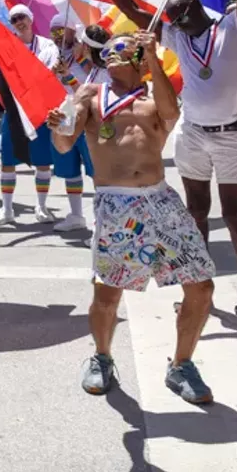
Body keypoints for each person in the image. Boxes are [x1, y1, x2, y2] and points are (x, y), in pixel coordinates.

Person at [86, 0, 237, 317]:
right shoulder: (179, 38)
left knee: (234, 215)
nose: (175, 22)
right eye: (173, 17)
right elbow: (133, 10)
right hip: (194, 134)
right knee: (196, 211)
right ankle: (200, 285)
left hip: (231, 135)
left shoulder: (233, 26)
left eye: (180, 14)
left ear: (195, 8)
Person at [48, 31, 216, 404]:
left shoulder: (153, 98)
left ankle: (181, 365)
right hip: (116, 205)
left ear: (140, 60)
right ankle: (102, 357)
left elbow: (171, 114)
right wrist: (58, 123)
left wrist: (154, 57)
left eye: (120, 48)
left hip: (161, 201)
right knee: (107, 293)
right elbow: (64, 141)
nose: (109, 54)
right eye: (106, 50)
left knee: (201, 285)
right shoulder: (90, 94)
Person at [0, 5, 59, 227]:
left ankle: (41, 207)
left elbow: (47, 72)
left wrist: (25, 78)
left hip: (39, 110)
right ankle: (7, 208)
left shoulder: (47, 45)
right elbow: (3, 74)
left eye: (22, 17)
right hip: (14, 110)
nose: (19, 22)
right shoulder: (6, 47)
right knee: (7, 161)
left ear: (30, 20)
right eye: (14, 19)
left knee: (42, 161)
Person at [47, 24, 111, 233]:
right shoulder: (95, 70)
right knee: (71, 171)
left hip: (95, 133)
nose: (79, 45)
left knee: (99, 178)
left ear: (87, 47)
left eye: (82, 43)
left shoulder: (105, 73)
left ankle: (102, 225)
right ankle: (77, 216)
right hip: (80, 127)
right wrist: (66, 75)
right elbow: (82, 93)